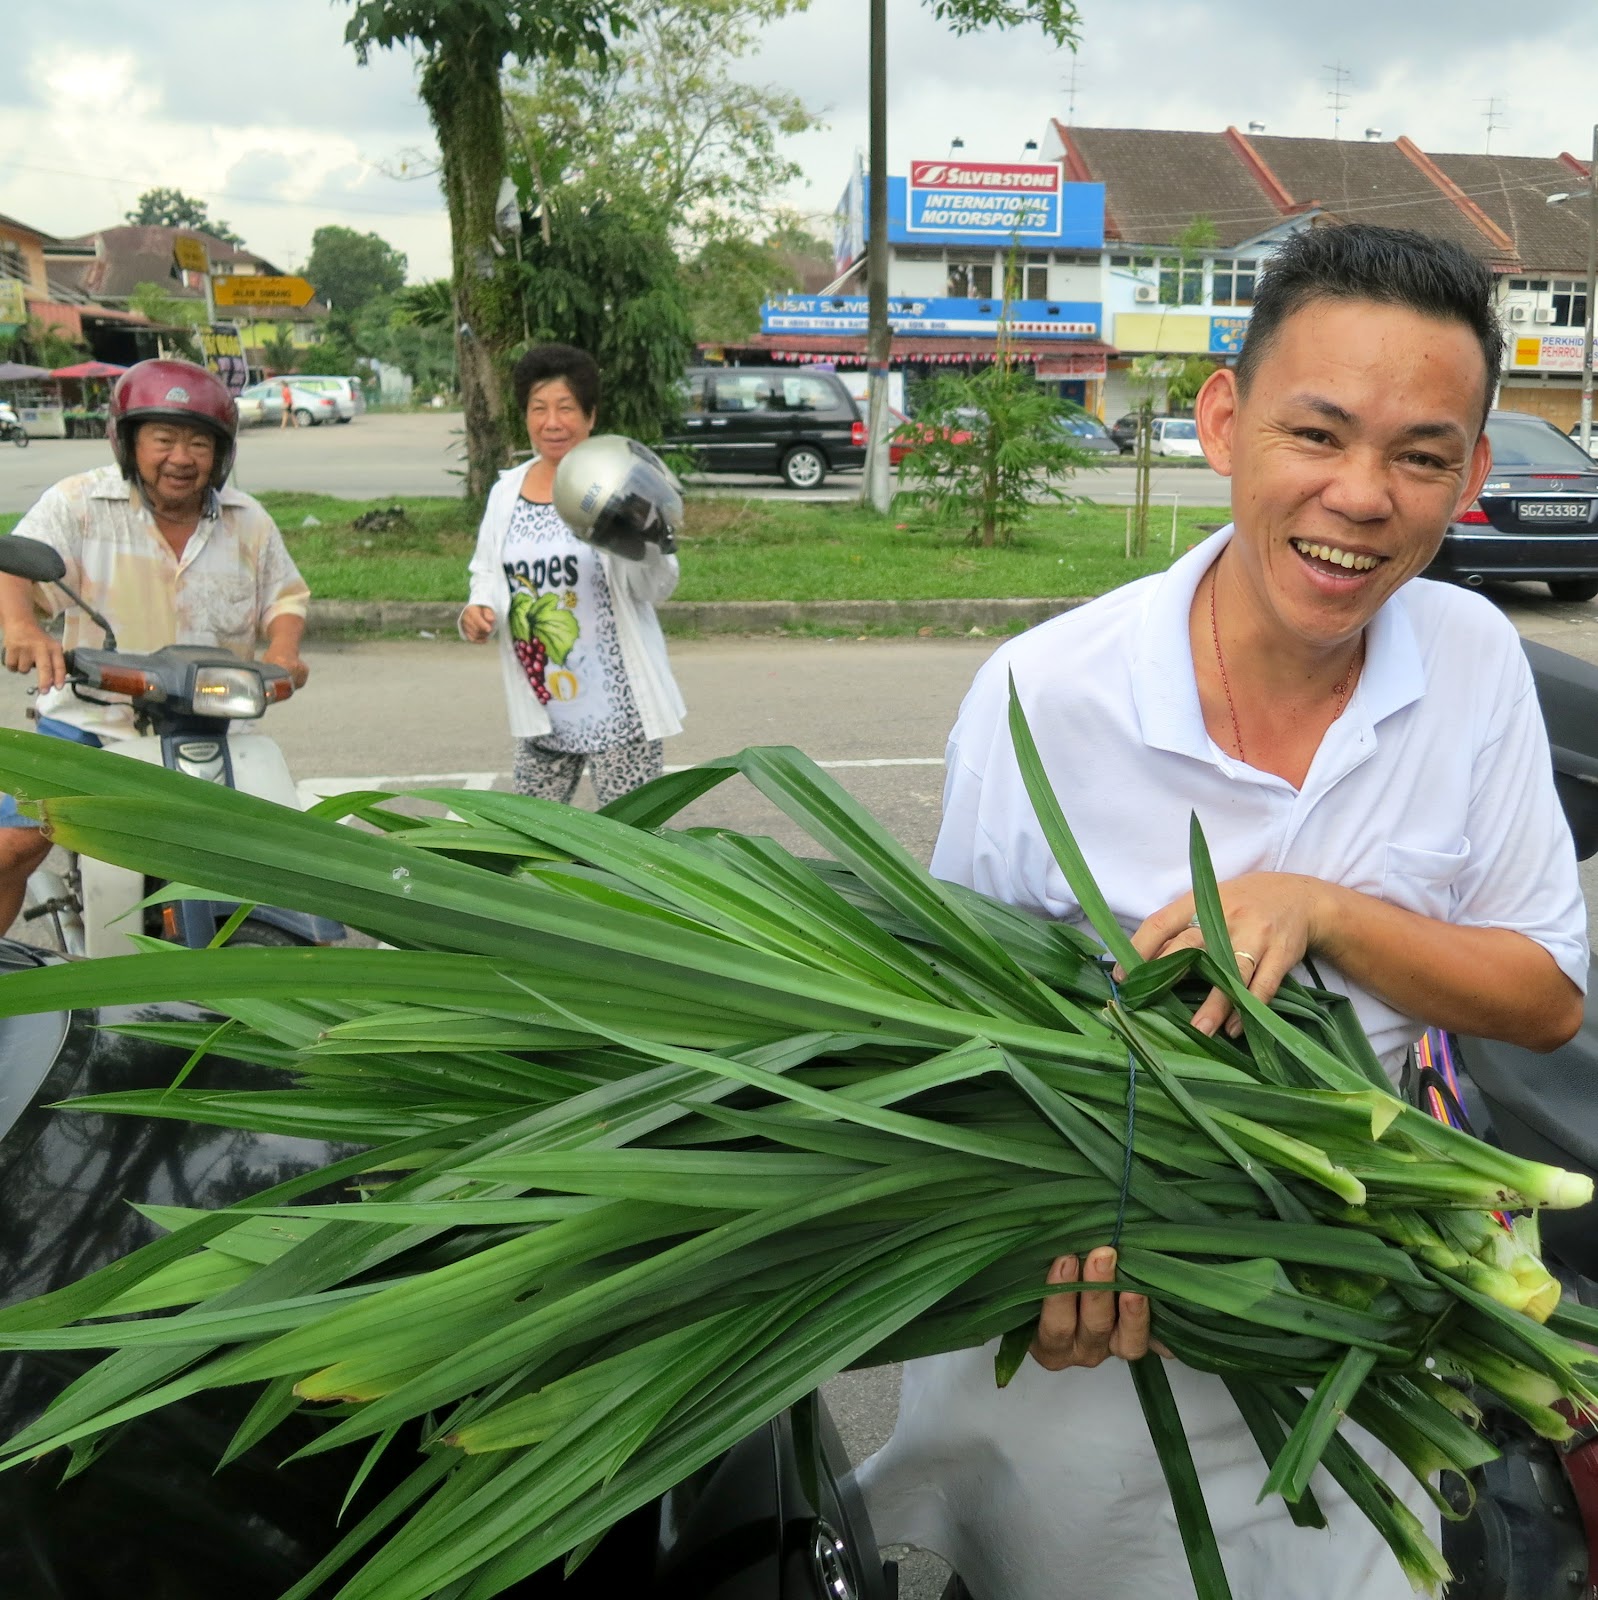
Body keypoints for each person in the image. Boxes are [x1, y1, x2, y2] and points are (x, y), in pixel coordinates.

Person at [858, 224, 1589, 1600]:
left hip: (1346, 1332)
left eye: (1421, 455)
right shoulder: (1044, 700)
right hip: (1076, 1356)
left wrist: (1323, 912)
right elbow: (933, 1060)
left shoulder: (1469, 656)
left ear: (1471, 476)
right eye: (1317, 434)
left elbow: (1543, 992)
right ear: (1221, 420)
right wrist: (1046, 1232)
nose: (1361, 497)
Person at [0, 357, 310, 934]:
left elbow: (285, 600)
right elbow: (15, 568)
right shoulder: (80, 504)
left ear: (221, 453)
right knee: (11, 848)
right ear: (128, 442)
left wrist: (283, 652)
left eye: (199, 443)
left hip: (214, 728)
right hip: (92, 722)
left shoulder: (250, 521)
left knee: (281, 857)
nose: (182, 458)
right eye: (163, 438)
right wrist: (22, 628)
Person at [460, 343, 684, 805]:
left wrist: (646, 540)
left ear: (590, 417)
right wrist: (476, 609)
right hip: (545, 710)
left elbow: (655, 587)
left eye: (566, 408)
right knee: (529, 845)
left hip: (622, 715)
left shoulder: (620, 484)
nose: (552, 422)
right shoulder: (506, 492)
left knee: (632, 849)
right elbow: (486, 570)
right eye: (538, 408)